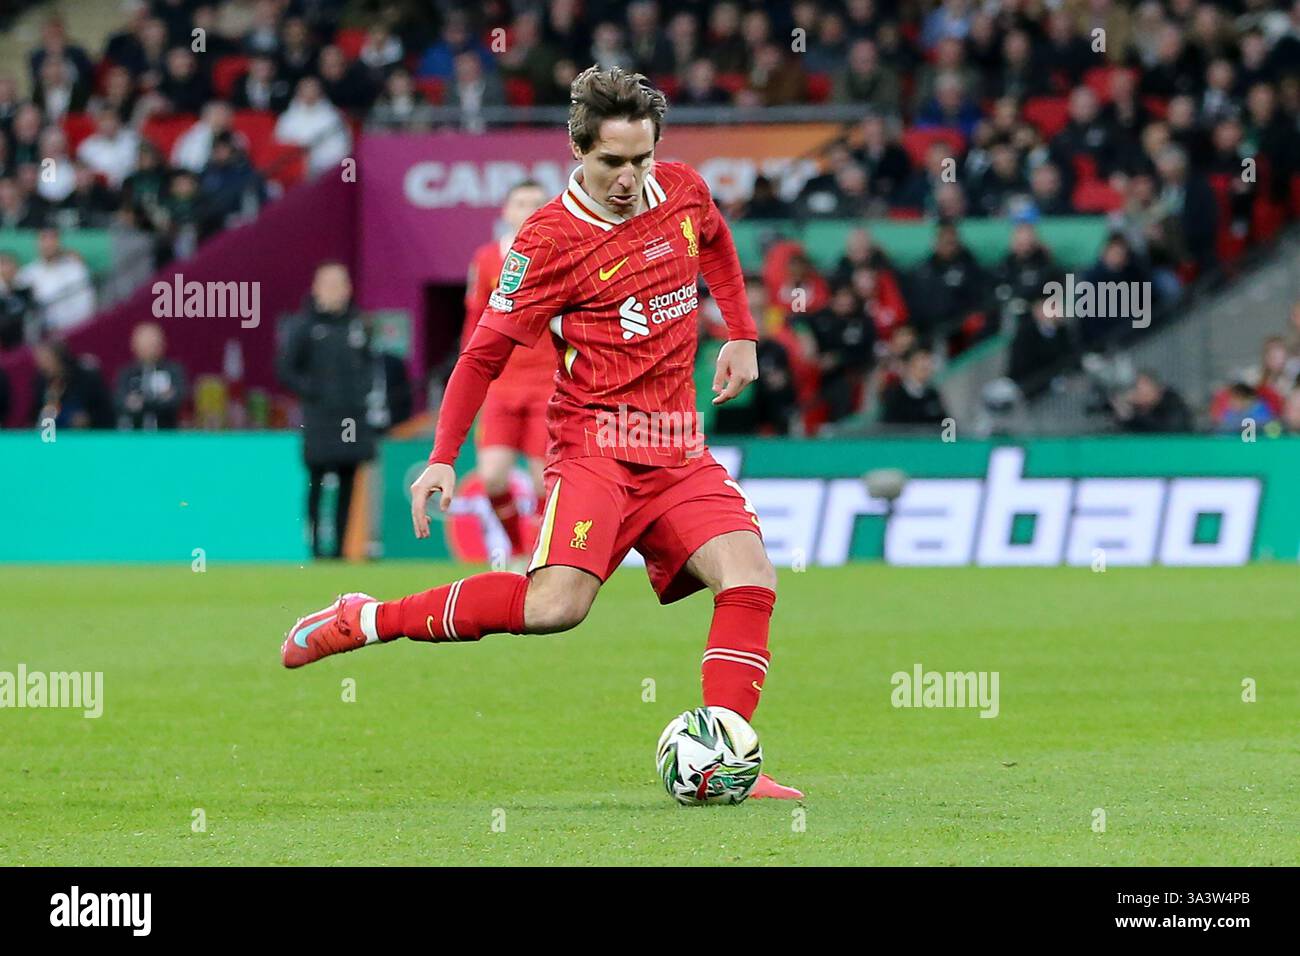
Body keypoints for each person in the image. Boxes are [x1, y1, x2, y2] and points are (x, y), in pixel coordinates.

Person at [281, 66, 800, 800]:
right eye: (611, 162)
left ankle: (723, 756)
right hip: (595, 444)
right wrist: (439, 457)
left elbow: (713, 240)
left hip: (680, 448)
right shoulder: (549, 240)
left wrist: (742, 334)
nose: (629, 177)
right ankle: (365, 618)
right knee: (554, 607)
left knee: (751, 576)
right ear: (577, 151)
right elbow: (483, 354)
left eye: (641, 159)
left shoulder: (682, 188)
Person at [462, 179, 552, 567]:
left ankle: (543, 556)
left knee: (545, 483)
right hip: (501, 386)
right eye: (521, 202)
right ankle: (516, 551)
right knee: (494, 477)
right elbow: (474, 321)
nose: (528, 210)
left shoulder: (557, 258)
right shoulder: (485, 260)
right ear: (506, 210)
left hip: (548, 384)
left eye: (537, 203)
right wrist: (471, 375)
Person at [276, 261, 377, 559]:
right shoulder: (304, 326)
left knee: (348, 481)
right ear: (316, 288)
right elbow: (285, 368)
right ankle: (317, 548)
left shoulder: (358, 323)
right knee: (317, 481)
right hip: (320, 418)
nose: (336, 291)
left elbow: (371, 362)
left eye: (341, 284)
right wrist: (315, 392)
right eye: (329, 285)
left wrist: (362, 391)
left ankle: (342, 550)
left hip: (352, 417)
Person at [114, 321, 187, 430]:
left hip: (167, 433)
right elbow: (119, 400)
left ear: (163, 344)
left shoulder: (174, 370)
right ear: (134, 345)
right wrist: (160, 398)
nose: (150, 348)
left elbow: (178, 397)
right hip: (134, 435)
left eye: (153, 343)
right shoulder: (126, 373)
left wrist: (142, 402)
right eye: (145, 343)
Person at [879, 345, 947, 425]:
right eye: (921, 359)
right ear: (908, 365)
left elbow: (946, 424)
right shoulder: (895, 395)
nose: (926, 364)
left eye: (928, 359)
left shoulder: (932, 394)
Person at [1112, 369, 1192, 433]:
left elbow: (1168, 430)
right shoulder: (1138, 409)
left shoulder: (1172, 404)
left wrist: (1132, 417)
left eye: (1141, 388)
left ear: (1154, 387)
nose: (1136, 393)